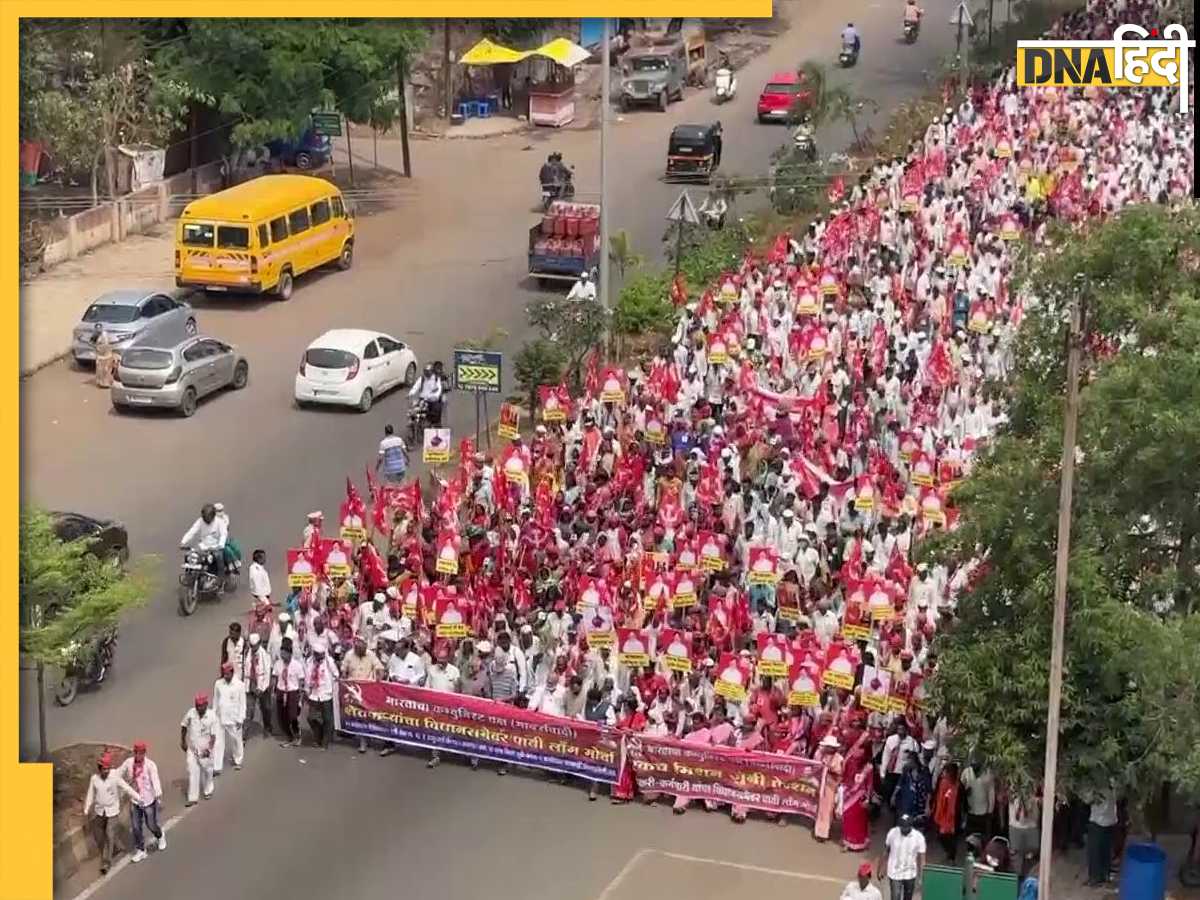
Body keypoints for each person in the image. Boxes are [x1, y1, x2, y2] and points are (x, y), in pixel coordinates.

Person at [83, 751, 139, 874]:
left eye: (108, 768)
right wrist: (87, 808)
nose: (106, 771)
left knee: (109, 833)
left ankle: (106, 863)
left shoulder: (114, 777)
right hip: (100, 811)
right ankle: (116, 847)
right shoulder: (94, 779)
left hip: (112, 811)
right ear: (99, 769)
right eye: (104, 769)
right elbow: (90, 795)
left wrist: (138, 797)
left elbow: (126, 787)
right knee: (99, 834)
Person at [116, 741, 165, 862]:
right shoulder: (128, 763)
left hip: (148, 800)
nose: (139, 755)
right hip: (135, 801)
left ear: (145, 753)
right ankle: (141, 850)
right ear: (134, 752)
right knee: (136, 827)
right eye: (137, 753)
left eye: (142, 753)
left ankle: (160, 835)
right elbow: (118, 774)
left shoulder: (150, 765)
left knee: (151, 825)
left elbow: (155, 781)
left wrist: (158, 795)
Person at [341, 635, 384, 753]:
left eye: (363, 649)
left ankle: (364, 740)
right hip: (353, 689)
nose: (360, 651)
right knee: (357, 716)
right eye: (358, 649)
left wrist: (379, 679)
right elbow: (343, 670)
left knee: (365, 716)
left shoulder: (371, 654)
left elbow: (379, 668)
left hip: (367, 689)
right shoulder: (349, 655)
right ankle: (362, 738)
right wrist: (344, 677)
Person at [877, 813, 927, 900]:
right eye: (901, 826)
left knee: (908, 898)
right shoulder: (892, 833)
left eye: (905, 827)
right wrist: (881, 868)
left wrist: (922, 876)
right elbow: (886, 852)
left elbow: (922, 860)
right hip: (894, 873)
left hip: (910, 874)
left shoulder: (919, 837)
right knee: (895, 897)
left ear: (911, 826)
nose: (903, 829)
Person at [180, 693, 218, 806]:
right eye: (197, 705)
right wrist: (182, 741)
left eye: (201, 705)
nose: (199, 708)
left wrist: (209, 749)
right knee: (192, 772)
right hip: (192, 749)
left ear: (206, 704)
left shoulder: (212, 716)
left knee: (207, 770)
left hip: (205, 750)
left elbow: (213, 736)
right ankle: (192, 797)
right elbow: (184, 725)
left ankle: (208, 789)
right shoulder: (191, 713)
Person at [211, 661, 246, 774]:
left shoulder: (240, 685)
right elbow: (215, 701)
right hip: (220, 717)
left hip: (234, 718)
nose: (226, 676)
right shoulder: (218, 684)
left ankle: (238, 760)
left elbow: (242, 703)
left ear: (232, 672)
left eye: (227, 674)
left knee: (236, 741)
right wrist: (213, 716)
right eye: (224, 674)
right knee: (218, 742)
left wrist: (241, 718)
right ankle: (217, 766)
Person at [180, 503, 228, 578]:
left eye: (208, 517)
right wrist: (183, 542)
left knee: (219, 557)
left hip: (215, 546)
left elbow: (223, 534)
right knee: (189, 555)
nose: (206, 519)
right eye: (204, 517)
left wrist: (220, 545)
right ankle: (188, 575)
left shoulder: (219, 522)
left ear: (212, 516)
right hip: (203, 545)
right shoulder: (200, 521)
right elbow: (192, 531)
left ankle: (220, 578)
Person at [304, 646, 338, 749]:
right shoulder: (310, 662)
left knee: (327, 719)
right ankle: (318, 736)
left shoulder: (329, 662)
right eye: (316, 654)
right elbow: (307, 676)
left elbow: (336, 674)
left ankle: (325, 741)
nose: (318, 656)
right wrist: (306, 690)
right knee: (311, 718)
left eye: (320, 654)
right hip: (314, 694)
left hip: (326, 694)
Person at [273, 641, 305, 748]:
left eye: (285, 653)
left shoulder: (297, 665)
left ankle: (297, 736)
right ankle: (289, 737)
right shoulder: (278, 664)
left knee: (292, 717)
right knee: (281, 717)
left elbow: (301, 681)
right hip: (281, 691)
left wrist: (300, 697)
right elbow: (275, 678)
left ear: (290, 653)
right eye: (281, 653)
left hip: (292, 692)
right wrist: (274, 691)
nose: (283, 655)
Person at [814, 733, 845, 841]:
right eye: (827, 746)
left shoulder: (839, 758)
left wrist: (829, 769)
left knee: (827, 809)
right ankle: (819, 829)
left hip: (831, 786)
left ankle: (823, 833)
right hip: (819, 783)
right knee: (820, 808)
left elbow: (840, 773)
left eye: (831, 747)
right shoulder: (819, 753)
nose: (828, 749)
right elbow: (814, 765)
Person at [241, 632, 273, 737]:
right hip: (250, 684)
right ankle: (244, 733)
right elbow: (245, 669)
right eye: (251, 645)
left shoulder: (265, 655)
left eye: (254, 645)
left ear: (259, 643)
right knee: (249, 710)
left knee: (266, 708)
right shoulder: (247, 653)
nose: (253, 648)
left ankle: (267, 727)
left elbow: (267, 673)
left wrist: (262, 688)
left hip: (261, 685)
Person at [932, 761, 965, 862]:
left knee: (952, 838)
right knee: (940, 835)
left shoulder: (959, 786)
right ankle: (949, 852)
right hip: (941, 813)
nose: (944, 773)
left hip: (954, 817)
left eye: (946, 772)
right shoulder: (941, 782)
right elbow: (936, 795)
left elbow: (963, 802)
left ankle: (951, 855)